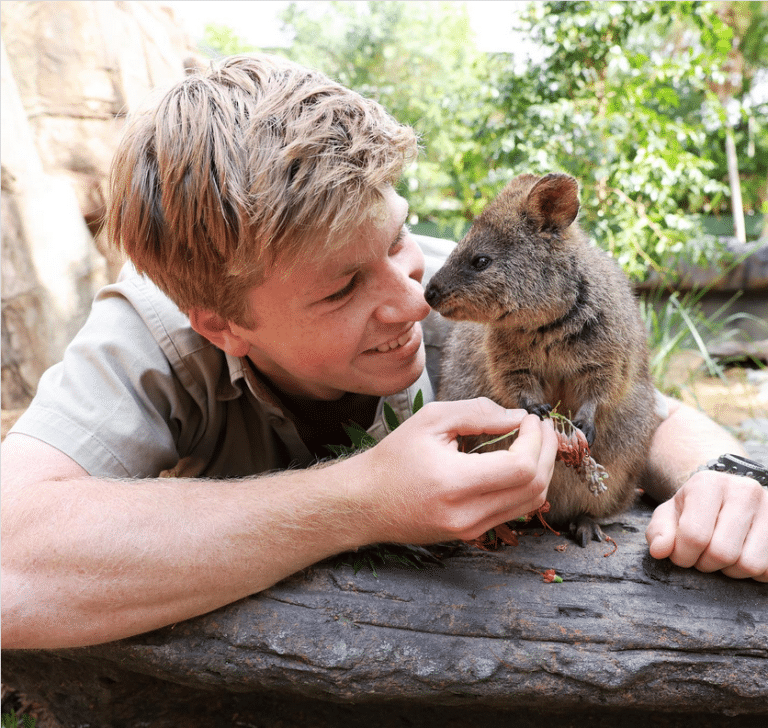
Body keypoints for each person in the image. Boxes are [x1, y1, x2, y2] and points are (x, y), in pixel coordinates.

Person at [2, 55, 766, 651]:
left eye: (396, 236)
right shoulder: (155, 330)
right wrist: (361, 501)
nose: (411, 300)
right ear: (222, 325)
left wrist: (724, 475)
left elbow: (653, 410)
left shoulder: (449, 284)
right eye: (341, 290)